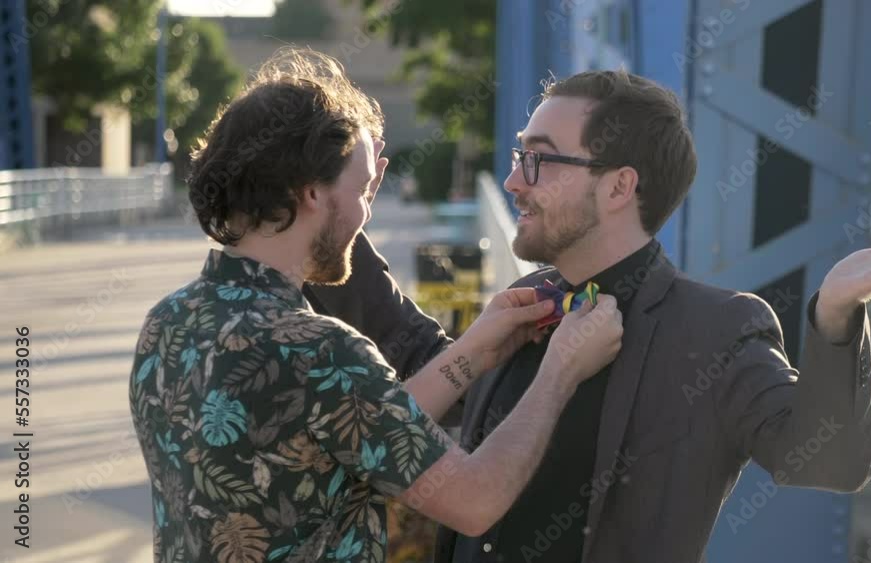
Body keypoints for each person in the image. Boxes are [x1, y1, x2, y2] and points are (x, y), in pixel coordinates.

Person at [306, 68, 871, 563]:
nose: (513, 183)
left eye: (536, 159)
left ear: (619, 186)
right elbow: (424, 358)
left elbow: (829, 461)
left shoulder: (716, 330)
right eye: (516, 157)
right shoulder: (528, 304)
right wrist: (325, 219)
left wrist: (836, 318)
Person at [126, 49, 624, 563]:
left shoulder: (167, 322)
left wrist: (479, 347)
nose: (366, 213)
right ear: (311, 193)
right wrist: (560, 371)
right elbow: (475, 500)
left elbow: (357, 423)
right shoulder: (320, 350)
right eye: (363, 189)